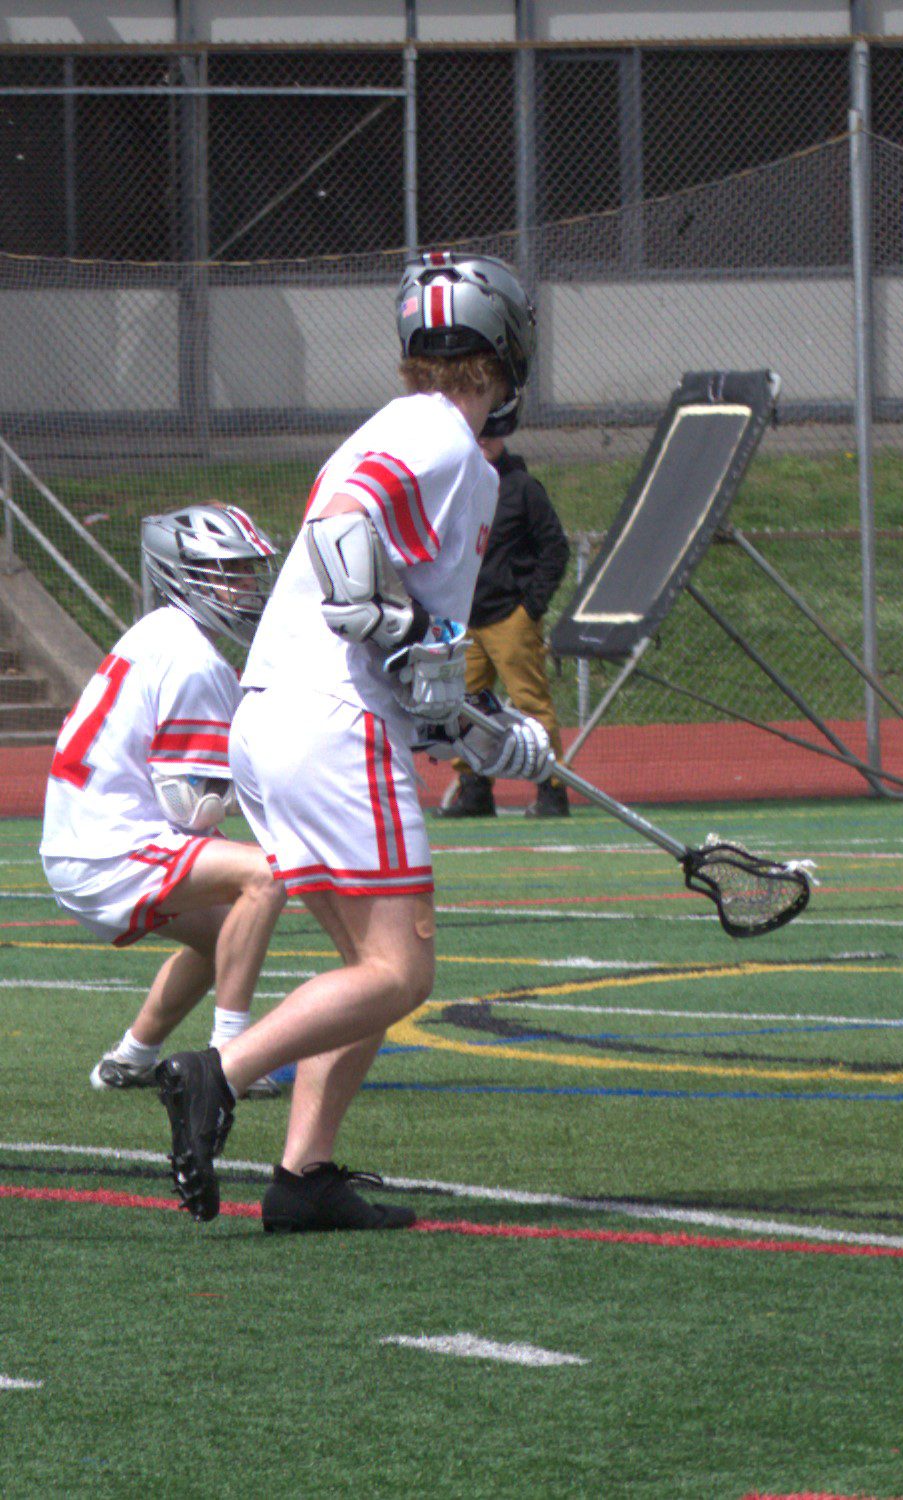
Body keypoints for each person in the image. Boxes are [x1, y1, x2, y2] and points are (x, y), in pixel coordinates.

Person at [153, 251, 554, 1231]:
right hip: (329, 723)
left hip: (296, 718)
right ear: (506, 350)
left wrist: (486, 733)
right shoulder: (436, 433)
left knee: (364, 976)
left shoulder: (422, 435)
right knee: (400, 973)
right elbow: (341, 534)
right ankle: (217, 1076)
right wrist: (411, 643)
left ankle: (304, 1179)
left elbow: (405, 650)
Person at [40, 505, 288, 1097]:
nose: (245, 586)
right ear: (182, 573)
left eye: (248, 571)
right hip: (109, 845)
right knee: (270, 874)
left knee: (227, 930)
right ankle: (230, 1057)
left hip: (89, 836)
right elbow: (190, 807)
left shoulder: (161, 631)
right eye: (226, 571)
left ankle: (130, 1057)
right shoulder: (194, 657)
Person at [439, 432, 571, 819]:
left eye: (491, 435)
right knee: (463, 708)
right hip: (465, 621)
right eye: (478, 434)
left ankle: (552, 788)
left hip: (510, 619)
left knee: (531, 704)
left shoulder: (523, 488)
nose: (483, 442)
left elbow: (554, 548)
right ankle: (474, 790)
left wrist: (530, 607)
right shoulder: (459, 486)